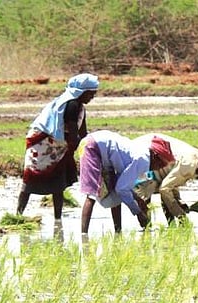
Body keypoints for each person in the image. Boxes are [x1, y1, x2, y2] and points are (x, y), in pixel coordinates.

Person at [17, 73, 99, 225]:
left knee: (59, 181)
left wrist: (89, 145)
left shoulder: (80, 107)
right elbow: (74, 135)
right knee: (31, 177)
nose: (92, 97)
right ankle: (18, 215)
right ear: (82, 92)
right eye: (91, 93)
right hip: (43, 145)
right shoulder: (71, 105)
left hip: (58, 146)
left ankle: (57, 219)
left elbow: (83, 134)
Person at [77, 131, 174, 235]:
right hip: (92, 147)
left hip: (104, 152)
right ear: (156, 157)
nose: (159, 168)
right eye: (161, 165)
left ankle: (118, 231)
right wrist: (137, 212)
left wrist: (137, 199)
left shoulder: (143, 155)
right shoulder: (143, 161)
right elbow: (122, 189)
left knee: (114, 192)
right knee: (92, 194)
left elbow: (123, 184)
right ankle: (84, 235)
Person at [131, 133, 198, 223]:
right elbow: (165, 189)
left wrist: (179, 201)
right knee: (144, 201)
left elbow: (172, 182)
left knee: (162, 199)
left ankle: (167, 226)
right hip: (146, 158)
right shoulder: (189, 165)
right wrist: (181, 215)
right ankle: (146, 229)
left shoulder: (194, 159)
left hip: (152, 159)